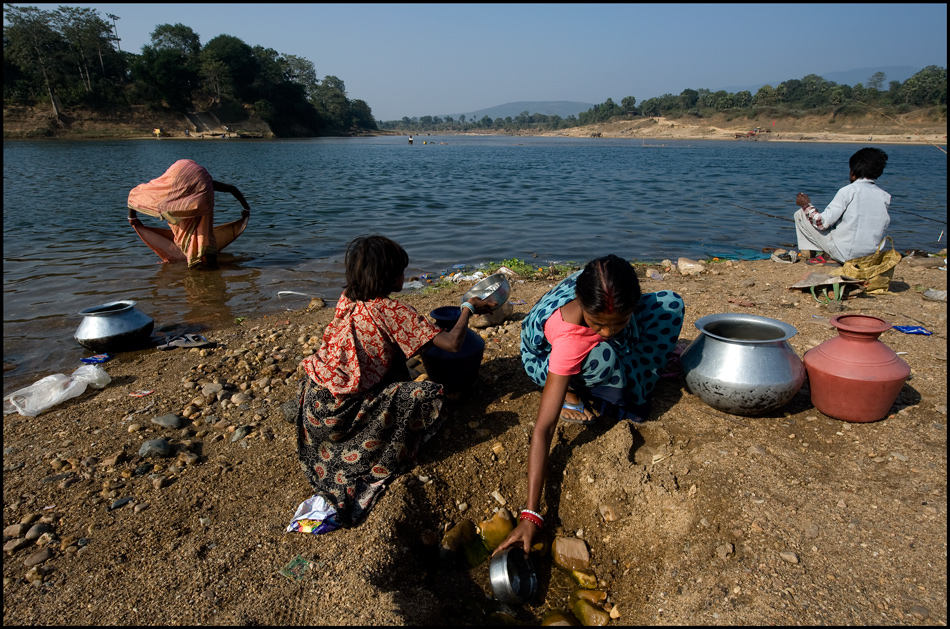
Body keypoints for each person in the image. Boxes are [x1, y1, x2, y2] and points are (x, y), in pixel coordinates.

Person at [294, 235, 495, 530]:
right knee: (429, 393)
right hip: (341, 416)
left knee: (398, 367)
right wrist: (468, 308)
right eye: (400, 271)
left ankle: (344, 442)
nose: (404, 276)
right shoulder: (392, 311)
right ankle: (378, 449)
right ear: (389, 276)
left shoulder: (348, 296)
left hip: (314, 407)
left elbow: (386, 347)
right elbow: (452, 343)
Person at [494, 255, 684, 554]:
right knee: (604, 356)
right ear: (582, 305)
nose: (608, 331)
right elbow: (543, 428)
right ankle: (571, 390)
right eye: (599, 324)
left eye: (618, 322)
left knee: (671, 303)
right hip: (542, 359)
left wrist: (613, 325)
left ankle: (623, 368)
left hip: (589, 327)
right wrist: (531, 513)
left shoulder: (607, 293)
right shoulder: (571, 338)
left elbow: (614, 315)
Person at [127, 159, 251, 268]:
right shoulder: (203, 184)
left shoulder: (173, 191)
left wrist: (132, 217)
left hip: (187, 208)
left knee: (189, 236)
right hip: (201, 205)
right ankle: (206, 265)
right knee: (204, 237)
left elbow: (134, 195)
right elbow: (232, 188)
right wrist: (246, 209)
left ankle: (199, 265)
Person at [794, 147, 891, 265]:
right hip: (870, 257)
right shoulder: (885, 196)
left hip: (844, 254)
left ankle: (821, 255)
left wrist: (806, 205)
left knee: (800, 214)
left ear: (853, 173)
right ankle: (828, 254)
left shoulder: (848, 191)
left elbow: (821, 224)